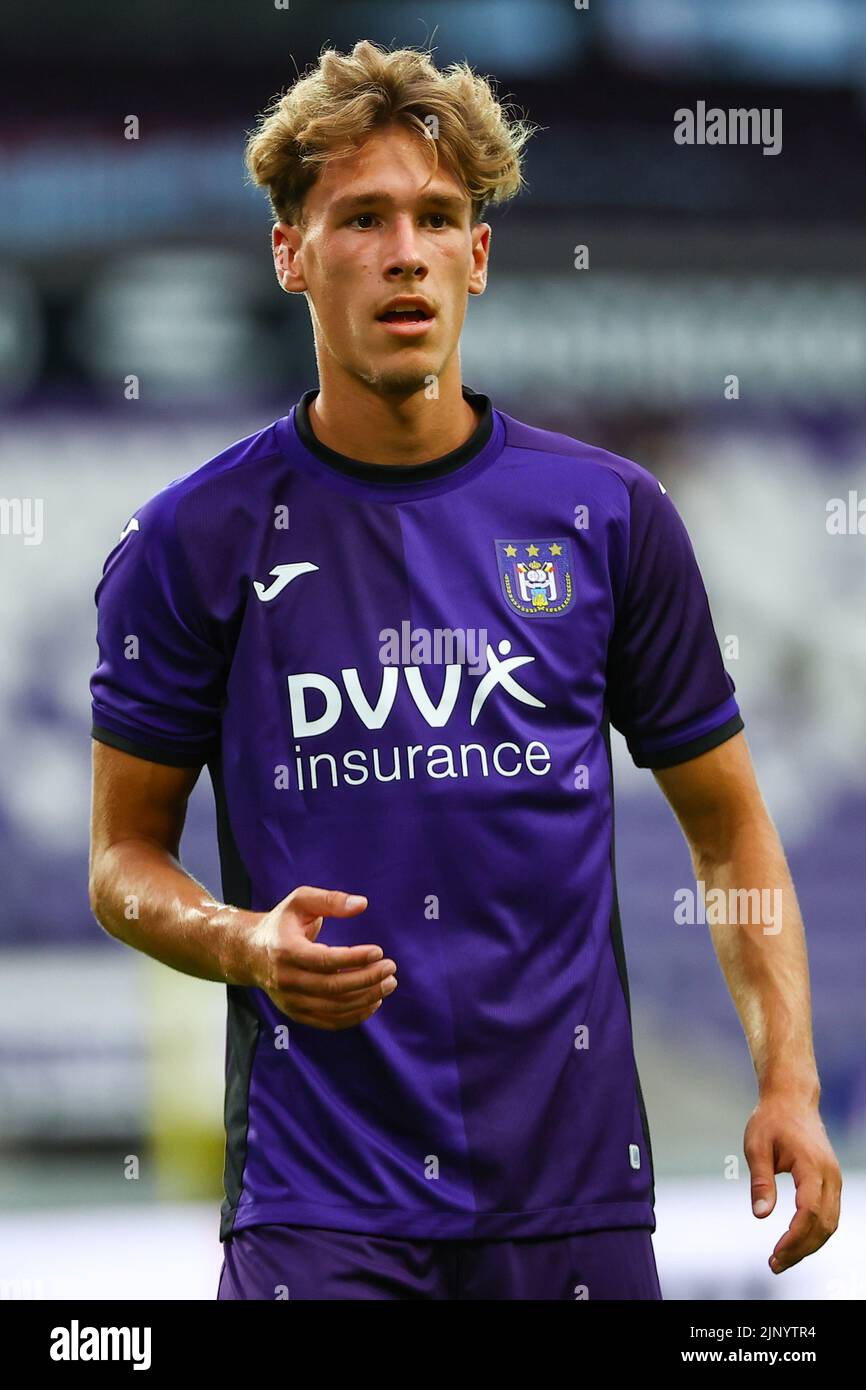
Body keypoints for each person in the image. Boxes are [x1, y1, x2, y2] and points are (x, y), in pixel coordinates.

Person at [88, 39, 841, 1301]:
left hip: (573, 1204)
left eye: (438, 218)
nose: (404, 252)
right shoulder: (192, 539)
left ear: (477, 259)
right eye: (361, 217)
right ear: (290, 253)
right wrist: (245, 942)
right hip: (317, 1209)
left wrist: (787, 1078)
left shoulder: (607, 516)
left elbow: (727, 832)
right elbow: (120, 863)